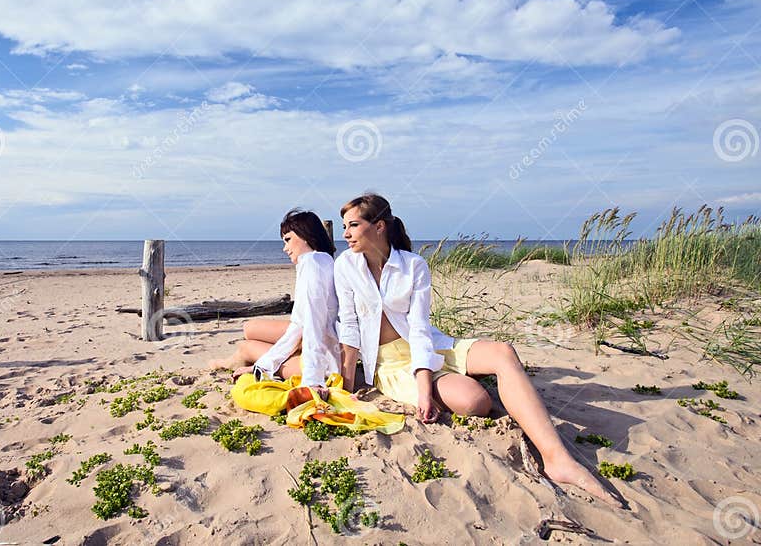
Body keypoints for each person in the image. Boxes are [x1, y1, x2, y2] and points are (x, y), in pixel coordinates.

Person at [335, 192, 619, 506]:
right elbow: (349, 328)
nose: (345, 234)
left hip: (431, 345)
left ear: (379, 227)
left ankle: (557, 458)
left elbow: (419, 330)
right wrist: (347, 387)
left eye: (353, 225)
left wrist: (425, 388)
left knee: (503, 352)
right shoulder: (345, 265)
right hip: (390, 364)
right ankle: (496, 400)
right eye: (343, 227)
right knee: (476, 402)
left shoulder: (413, 265)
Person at [209, 209, 340, 394]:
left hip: (323, 364)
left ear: (305, 235)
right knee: (249, 329)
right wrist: (263, 365)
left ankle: (235, 361)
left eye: (288, 239)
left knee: (246, 346)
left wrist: (312, 380)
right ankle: (245, 361)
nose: (285, 248)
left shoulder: (312, 264)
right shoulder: (320, 260)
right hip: (322, 346)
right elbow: (302, 326)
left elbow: (312, 326)